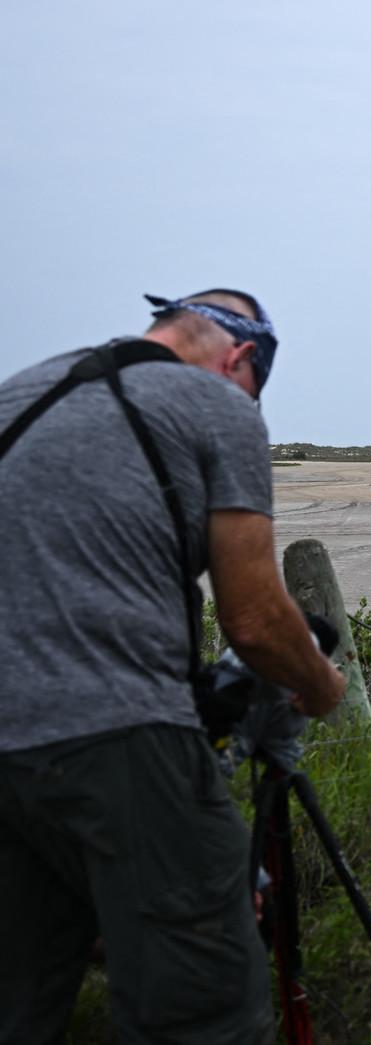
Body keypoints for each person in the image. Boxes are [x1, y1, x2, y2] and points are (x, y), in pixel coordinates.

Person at [0, 290, 347, 1044]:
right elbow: (254, 620)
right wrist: (320, 684)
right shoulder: (216, 404)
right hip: (118, 731)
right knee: (203, 1004)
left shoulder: (20, 392)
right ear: (242, 360)